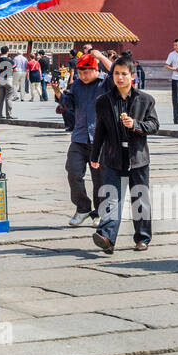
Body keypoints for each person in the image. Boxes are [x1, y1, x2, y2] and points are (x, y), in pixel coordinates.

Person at [89, 56, 158, 253]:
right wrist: (94, 156)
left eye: (124, 74)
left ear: (132, 76)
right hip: (112, 156)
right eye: (116, 74)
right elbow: (100, 130)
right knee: (111, 197)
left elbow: (154, 125)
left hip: (138, 157)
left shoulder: (145, 100)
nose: (120, 78)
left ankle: (142, 238)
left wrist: (136, 125)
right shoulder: (104, 101)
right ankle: (107, 237)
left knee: (140, 198)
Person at [61, 51, 112, 227]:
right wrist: (58, 93)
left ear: (96, 70)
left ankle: (99, 212)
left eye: (86, 72)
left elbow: (118, 72)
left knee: (100, 179)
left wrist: (101, 57)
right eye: (80, 72)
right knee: (73, 172)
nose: (82, 76)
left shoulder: (106, 82)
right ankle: (82, 207)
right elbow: (69, 105)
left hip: (101, 139)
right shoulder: (76, 85)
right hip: (79, 137)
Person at [164, 39, 178, 125]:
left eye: (176, 45)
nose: (174, 47)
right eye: (174, 45)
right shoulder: (171, 54)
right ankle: (176, 119)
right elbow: (166, 66)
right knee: (176, 100)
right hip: (176, 79)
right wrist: (174, 69)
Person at [0, 46, 16, 120]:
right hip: (8, 79)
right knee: (8, 98)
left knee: (0, 98)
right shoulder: (9, 60)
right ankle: (8, 114)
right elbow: (14, 68)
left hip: (1, 79)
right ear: (7, 52)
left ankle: (0, 115)